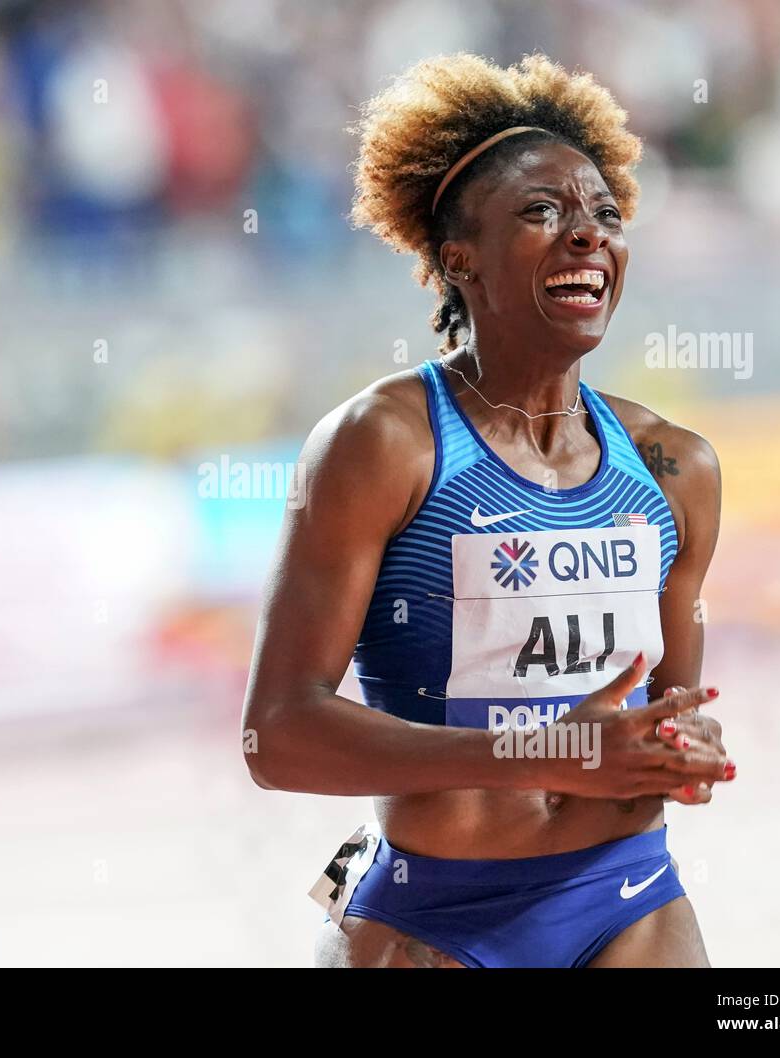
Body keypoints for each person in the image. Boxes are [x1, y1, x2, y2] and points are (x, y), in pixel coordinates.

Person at [241, 53, 735, 968]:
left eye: (605, 215)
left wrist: (681, 745)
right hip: (429, 921)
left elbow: (665, 713)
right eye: (543, 212)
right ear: (457, 259)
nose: (587, 234)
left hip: (627, 897)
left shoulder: (675, 470)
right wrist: (545, 754)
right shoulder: (383, 444)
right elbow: (276, 734)